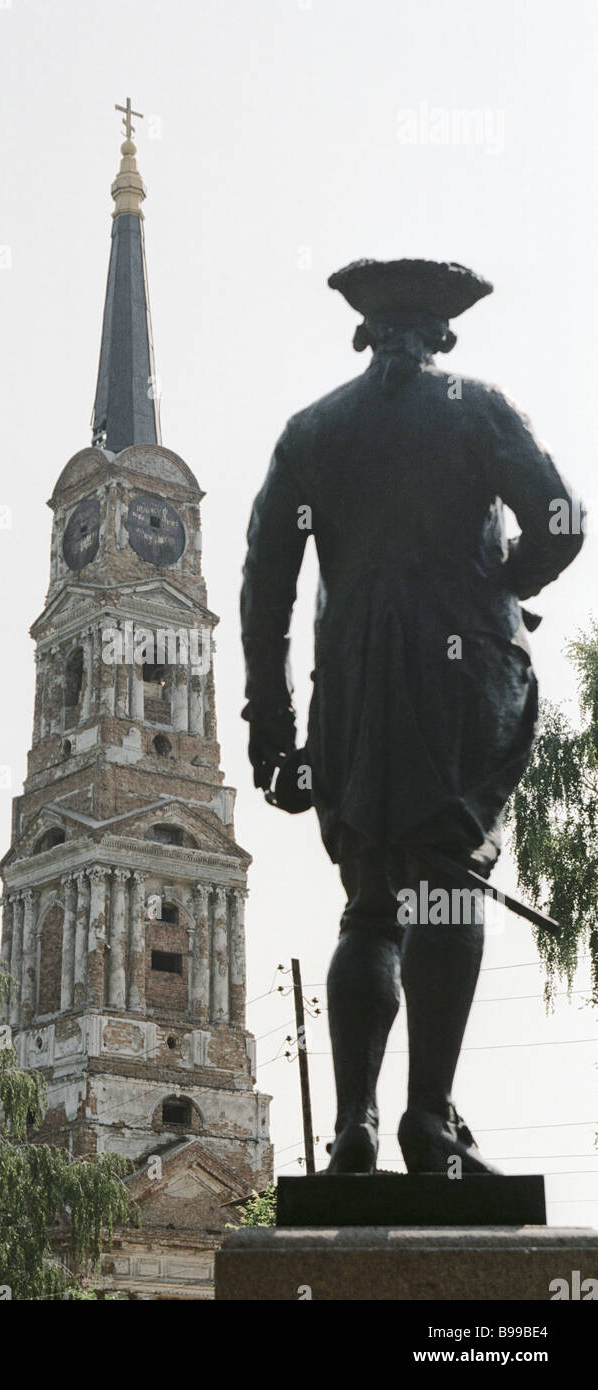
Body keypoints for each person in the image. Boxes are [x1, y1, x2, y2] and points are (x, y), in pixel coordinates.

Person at [240, 259, 584, 1173]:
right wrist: (507, 582)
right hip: (461, 682)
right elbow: (562, 517)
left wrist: (269, 722)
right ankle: (427, 1120)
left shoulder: (310, 431)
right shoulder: (476, 407)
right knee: (447, 884)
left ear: (367, 333)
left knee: (370, 906)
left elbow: (265, 585)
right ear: (441, 334)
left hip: (352, 690)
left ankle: (354, 1127)